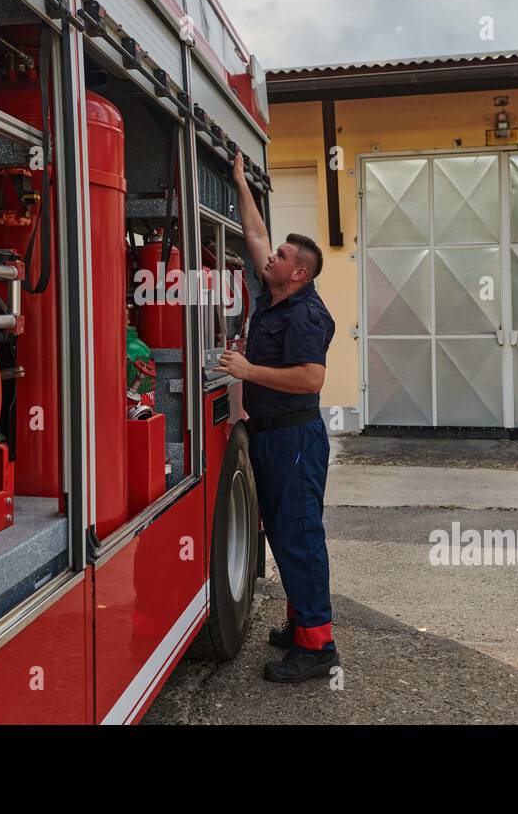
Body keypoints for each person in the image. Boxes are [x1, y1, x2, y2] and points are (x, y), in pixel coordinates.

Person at [213, 151, 338, 683]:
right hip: (272, 438)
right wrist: (241, 181)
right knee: (285, 536)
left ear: (299, 272)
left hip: (294, 440)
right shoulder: (275, 290)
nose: (271, 256)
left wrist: (247, 369)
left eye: (282, 255)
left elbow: (311, 379)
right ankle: (300, 625)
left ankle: (317, 648)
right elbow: (256, 232)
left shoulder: (307, 314)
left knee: (299, 537)